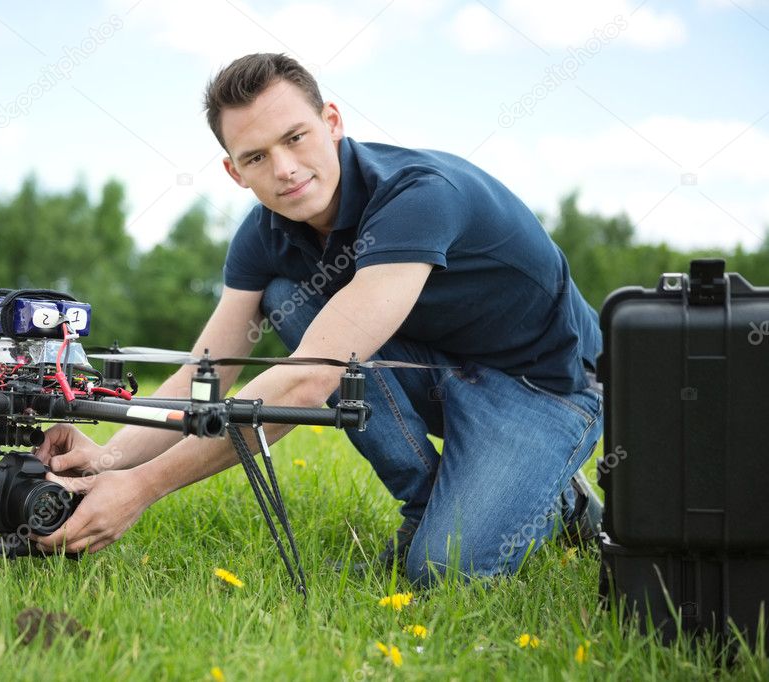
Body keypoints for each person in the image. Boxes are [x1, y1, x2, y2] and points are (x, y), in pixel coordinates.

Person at [33, 53, 603, 586]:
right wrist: (107, 458)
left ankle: (560, 497)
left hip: (544, 387)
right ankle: (428, 500)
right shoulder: (264, 235)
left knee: (441, 571)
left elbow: (308, 384)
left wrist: (140, 488)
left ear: (331, 122)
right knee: (290, 296)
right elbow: (204, 378)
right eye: (256, 157)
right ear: (235, 172)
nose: (284, 169)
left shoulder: (419, 196)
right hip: (433, 364)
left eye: (294, 137)